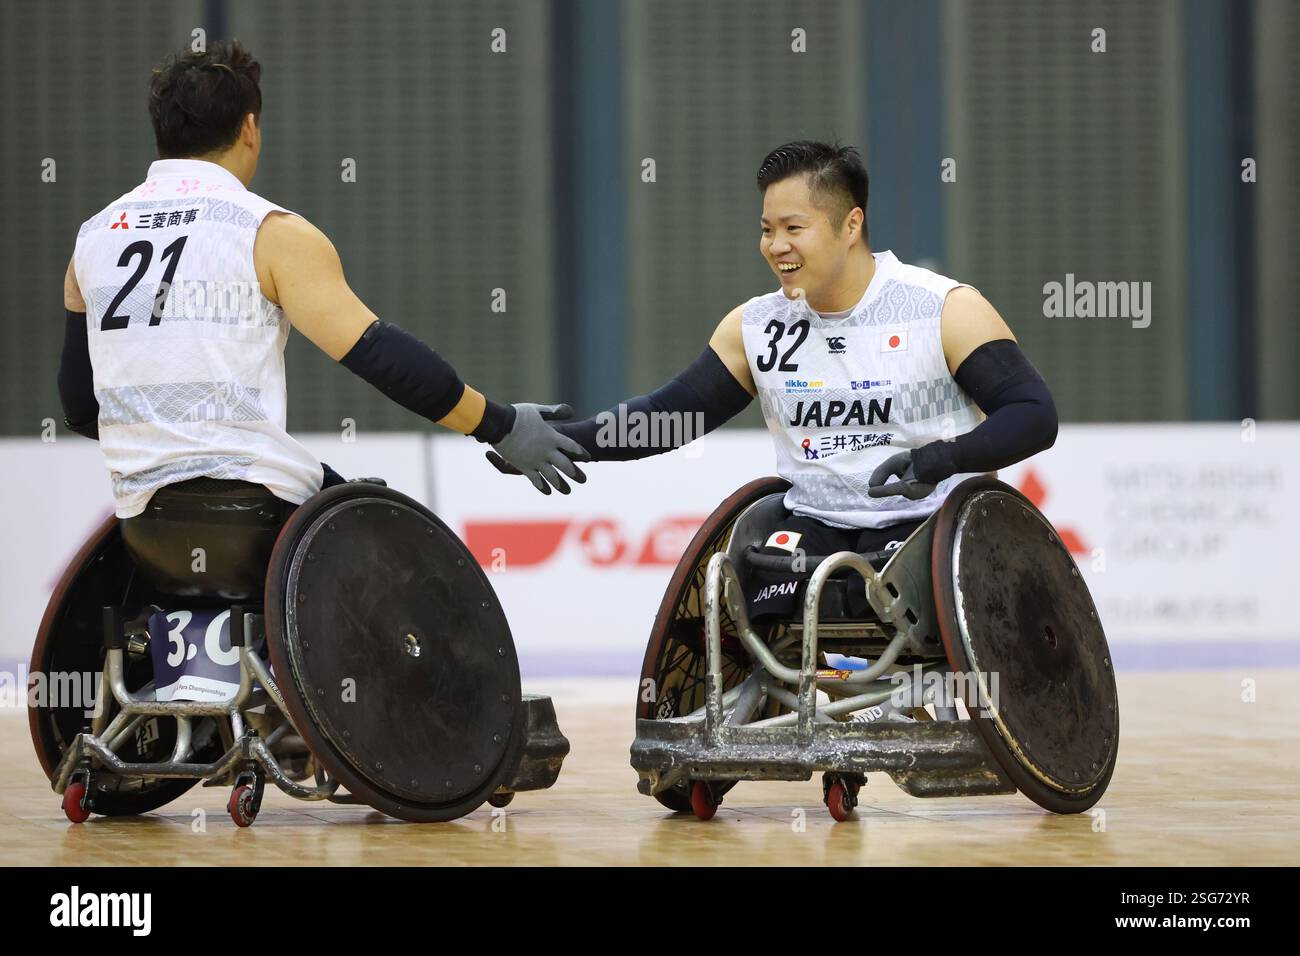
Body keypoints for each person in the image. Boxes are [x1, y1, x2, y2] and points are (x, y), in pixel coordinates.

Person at [492, 140, 1058, 623]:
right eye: (767, 230)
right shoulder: (756, 326)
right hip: (813, 525)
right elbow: (670, 417)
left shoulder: (942, 308)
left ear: (850, 224)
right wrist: (564, 439)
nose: (776, 246)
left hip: (925, 523)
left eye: (794, 228)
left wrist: (938, 460)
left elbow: (1032, 415)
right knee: (759, 599)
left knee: (865, 600)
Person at [59, 39, 588, 532]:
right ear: (249, 128)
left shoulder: (92, 237)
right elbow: (380, 356)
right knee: (390, 544)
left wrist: (162, 449)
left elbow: (82, 405)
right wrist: (500, 425)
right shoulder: (268, 231)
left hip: (144, 524)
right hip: (251, 511)